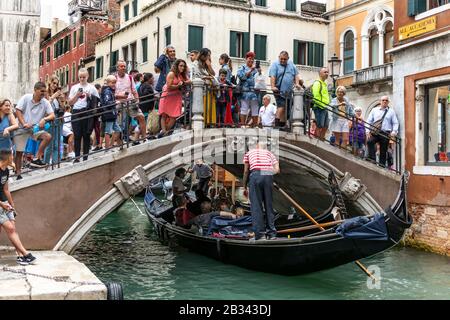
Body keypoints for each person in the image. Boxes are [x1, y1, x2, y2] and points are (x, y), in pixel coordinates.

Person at [0, 150, 37, 265]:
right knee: (10, 229)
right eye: (12, 156)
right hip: (1, 204)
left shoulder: (6, 170)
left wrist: (12, 204)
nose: (13, 158)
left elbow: (6, 189)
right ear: (7, 158)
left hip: (6, 203)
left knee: (13, 229)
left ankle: (20, 255)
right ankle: (26, 254)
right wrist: (1, 204)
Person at [14, 82, 55, 175]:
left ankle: (36, 159)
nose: (44, 93)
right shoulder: (26, 98)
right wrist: (24, 123)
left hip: (34, 129)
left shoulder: (45, 102)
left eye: (44, 91)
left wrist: (45, 119)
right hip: (22, 128)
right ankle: (18, 173)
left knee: (47, 137)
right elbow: (18, 110)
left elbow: (53, 115)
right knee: (19, 152)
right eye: (42, 91)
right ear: (35, 90)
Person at [243, 141, 280, 240]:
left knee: (256, 206)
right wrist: (266, 172)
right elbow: (277, 169)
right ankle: (272, 233)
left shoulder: (249, 153)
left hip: (255, 176)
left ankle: (260, 235)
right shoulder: (270, 153)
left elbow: (246, 171)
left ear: (256, 146)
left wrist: (244, 186)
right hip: (268, 176)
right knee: (269, 205)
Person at [68, 68, 99, 162]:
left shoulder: (92, 87)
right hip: (76, 112)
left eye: (84, 77)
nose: (82, 79)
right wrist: (77, 95)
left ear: (87, 77)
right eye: (80, 77)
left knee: (86, 135)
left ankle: (85, 157)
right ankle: (77, 157)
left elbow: (97, 101)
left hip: (87, 112)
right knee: (77, 136)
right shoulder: (74, 88)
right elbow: (70, 103)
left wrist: (90, 96)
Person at [115, 60, 147, 146]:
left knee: (141, 117)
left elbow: (134, 90)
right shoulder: (114, 78)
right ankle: (119, 144)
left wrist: (137, 100)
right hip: (119, 103)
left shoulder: (129, 77)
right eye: (121, 66)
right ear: (117, 68)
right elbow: (112, 94)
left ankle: (144, 138)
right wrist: (121, 97)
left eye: (124, 66)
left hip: (130, 101)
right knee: (119, 125)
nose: (123, 68)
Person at [269, 51, 302, 129]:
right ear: (278, 57)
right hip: (279, 90)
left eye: (285, 59)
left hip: (288, 92)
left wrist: (297, 83)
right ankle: (276, 125)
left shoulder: (291, 64)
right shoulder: (275, 64)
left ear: (288, 59)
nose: (283, 60)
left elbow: (296, 74)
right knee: (281, 106)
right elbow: (272, 76)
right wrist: (273, 86)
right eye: (281, 59)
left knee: (286, 109)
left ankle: (282, 125)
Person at [158, 59, 191, 136]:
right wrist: (178, 86)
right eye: (181, 66)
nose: (182, 68)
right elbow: (169, 87)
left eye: (183, 66)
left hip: (176, 97)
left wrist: (184, 82)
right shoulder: (171, 74)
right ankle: (164, 132)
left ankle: (164, 132)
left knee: (174, 116)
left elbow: (190, 81)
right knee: (164, 114)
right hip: (168, 95)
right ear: (176, 66)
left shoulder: (182, 75)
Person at [366, 96, 399, 167]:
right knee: (369, 142)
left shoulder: (391, 111)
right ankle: (372, 159)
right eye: (383, 100)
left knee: (383, 150)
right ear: (380, 101)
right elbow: (368, 121)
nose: (384, 101)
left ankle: (382, 166)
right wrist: (367, 131)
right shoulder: (374, 110)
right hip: (375, 132)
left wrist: (394, 132)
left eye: (386, 100)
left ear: (388, 102)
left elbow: (395, 122)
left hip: (385, 133)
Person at [191, 48, 217, 127]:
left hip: (209, 90)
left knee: (209, 107)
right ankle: (203, 124)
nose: (209, 57)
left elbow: (213, 74)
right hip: (201, 90)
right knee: (203, 107)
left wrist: (209, 65)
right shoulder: (195, 64)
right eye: (208, 55)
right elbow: (196, 76)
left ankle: (209, 123)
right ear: (203, 55)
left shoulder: (206, 65)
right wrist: (207, 77)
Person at [237, 52, 259, 127]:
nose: (251, 60)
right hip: (245, 92)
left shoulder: (255, 69)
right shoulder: (242, 67)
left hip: (254, 92)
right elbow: (241, 77)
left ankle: (255, 125)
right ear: (246, 59)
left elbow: (259, 80)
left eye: (253, 59)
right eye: (250, 58)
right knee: (244, 108)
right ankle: (243, 125)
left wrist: (259, 72)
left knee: (255, 109)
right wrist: (250, 71)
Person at [100, 75, 122, 150]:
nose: (114, 84)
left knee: (118, 130)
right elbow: (107, 102)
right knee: (108, 131)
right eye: (112, 82)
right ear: (108, 83)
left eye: (115, 82)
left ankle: (110, 145)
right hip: (108, 113)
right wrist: (115, 102)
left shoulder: (110, 91)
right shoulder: (107, 91)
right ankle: (107, 148)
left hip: (112, 114)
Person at [311, 68, 330, 141]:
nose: (327, 74)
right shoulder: (317, 83)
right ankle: (316, 140)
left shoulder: (324, 84)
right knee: (320, 125)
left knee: (326, 125)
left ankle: (321, 140)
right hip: (319, 107)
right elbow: (315, 96)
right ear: (320, 74)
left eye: (327, 72)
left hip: (324, 107)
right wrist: (321, 105)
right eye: (325, 72)